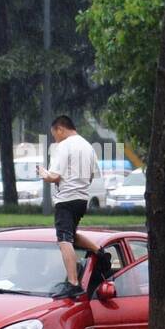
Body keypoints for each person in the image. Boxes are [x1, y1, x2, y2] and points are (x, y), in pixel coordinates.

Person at [37, 114, 99, 297]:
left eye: (54, 135)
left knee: (64, 240)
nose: (55, 139)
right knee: (71, 235)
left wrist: (43, 173)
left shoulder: (64, 146)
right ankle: (100, 253)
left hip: (66, 199)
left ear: (60, 129)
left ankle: (73, 282)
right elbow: (91, 176)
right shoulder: (88, 146)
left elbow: (54, 176)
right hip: (82, 199)